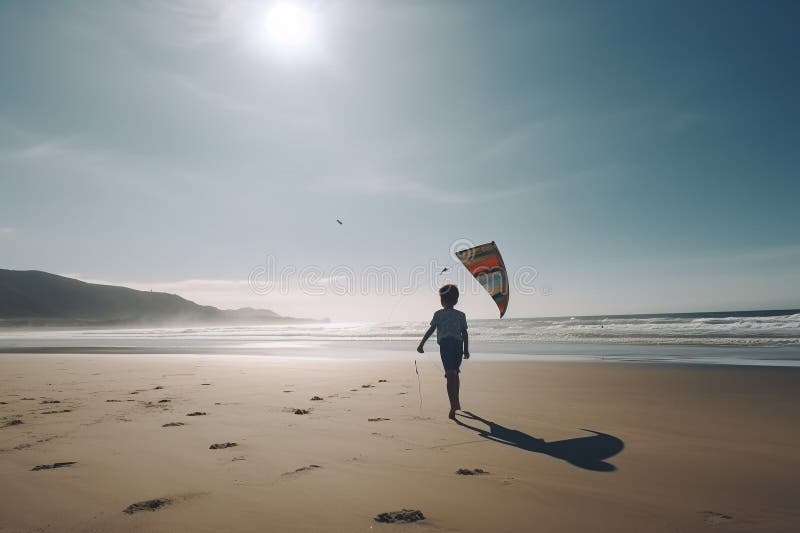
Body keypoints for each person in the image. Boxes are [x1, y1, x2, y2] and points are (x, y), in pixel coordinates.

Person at [417, 284, 469, 419]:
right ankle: (456, 400)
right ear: (456, 300)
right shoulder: (461, 315)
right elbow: (464, 333)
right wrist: (466, 349)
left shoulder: (439, 314)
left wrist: (421, 344)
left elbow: (431, 330)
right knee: (455, 373)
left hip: (446, 345)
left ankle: (453, 404)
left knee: (450, 374)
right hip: (458, 345)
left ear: (442, 300)